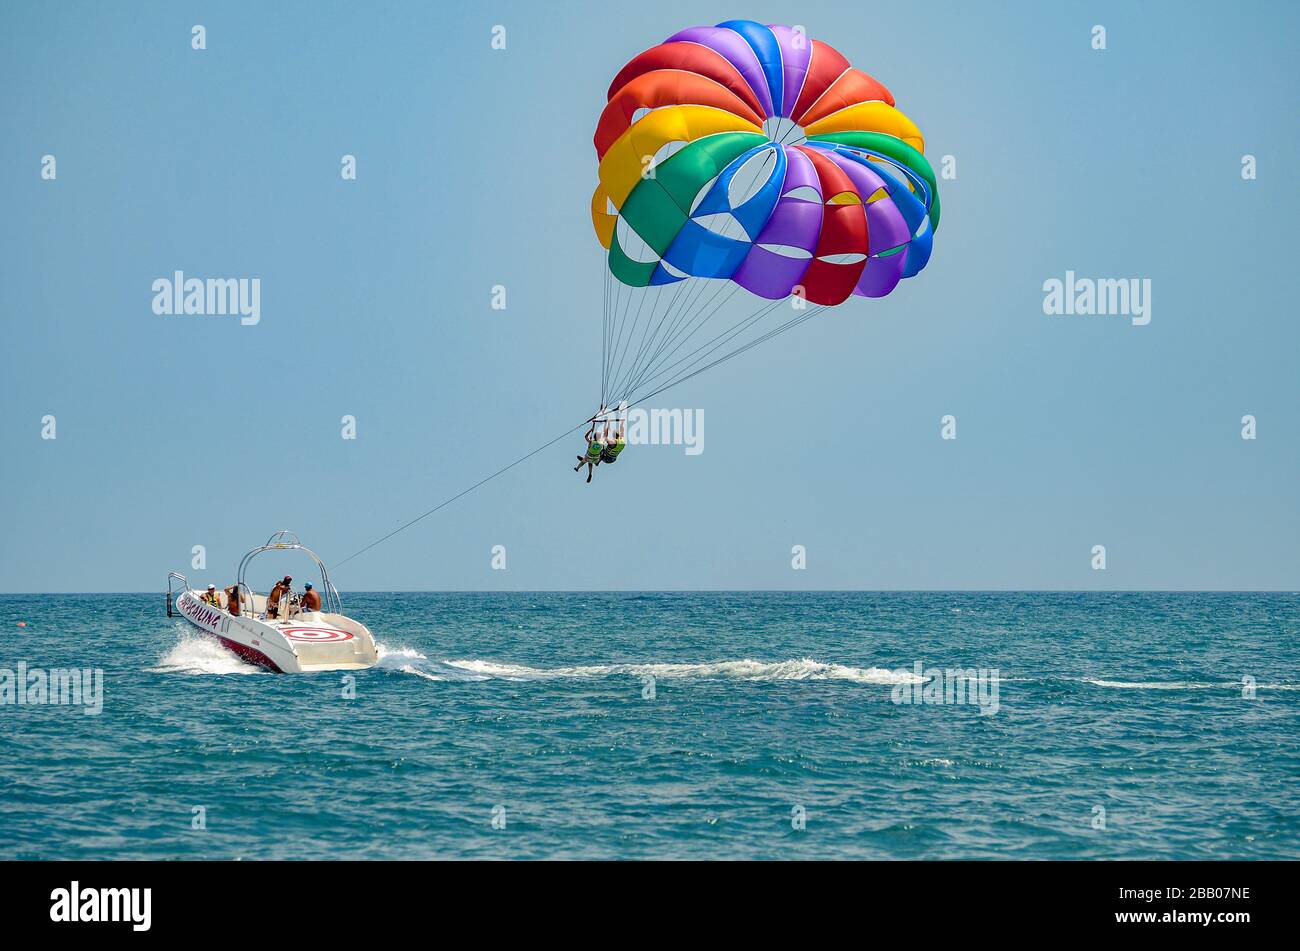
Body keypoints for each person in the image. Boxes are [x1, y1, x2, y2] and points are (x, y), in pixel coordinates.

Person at [574, 414, 606, 484]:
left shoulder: (591, 442)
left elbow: (585, 436)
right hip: (596, 458)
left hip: (589, 457)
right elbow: (605, 436)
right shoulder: (602, 443)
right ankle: (590, 473)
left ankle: (577, 468)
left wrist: (591, 430)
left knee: (585, 460)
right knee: (590, 461)